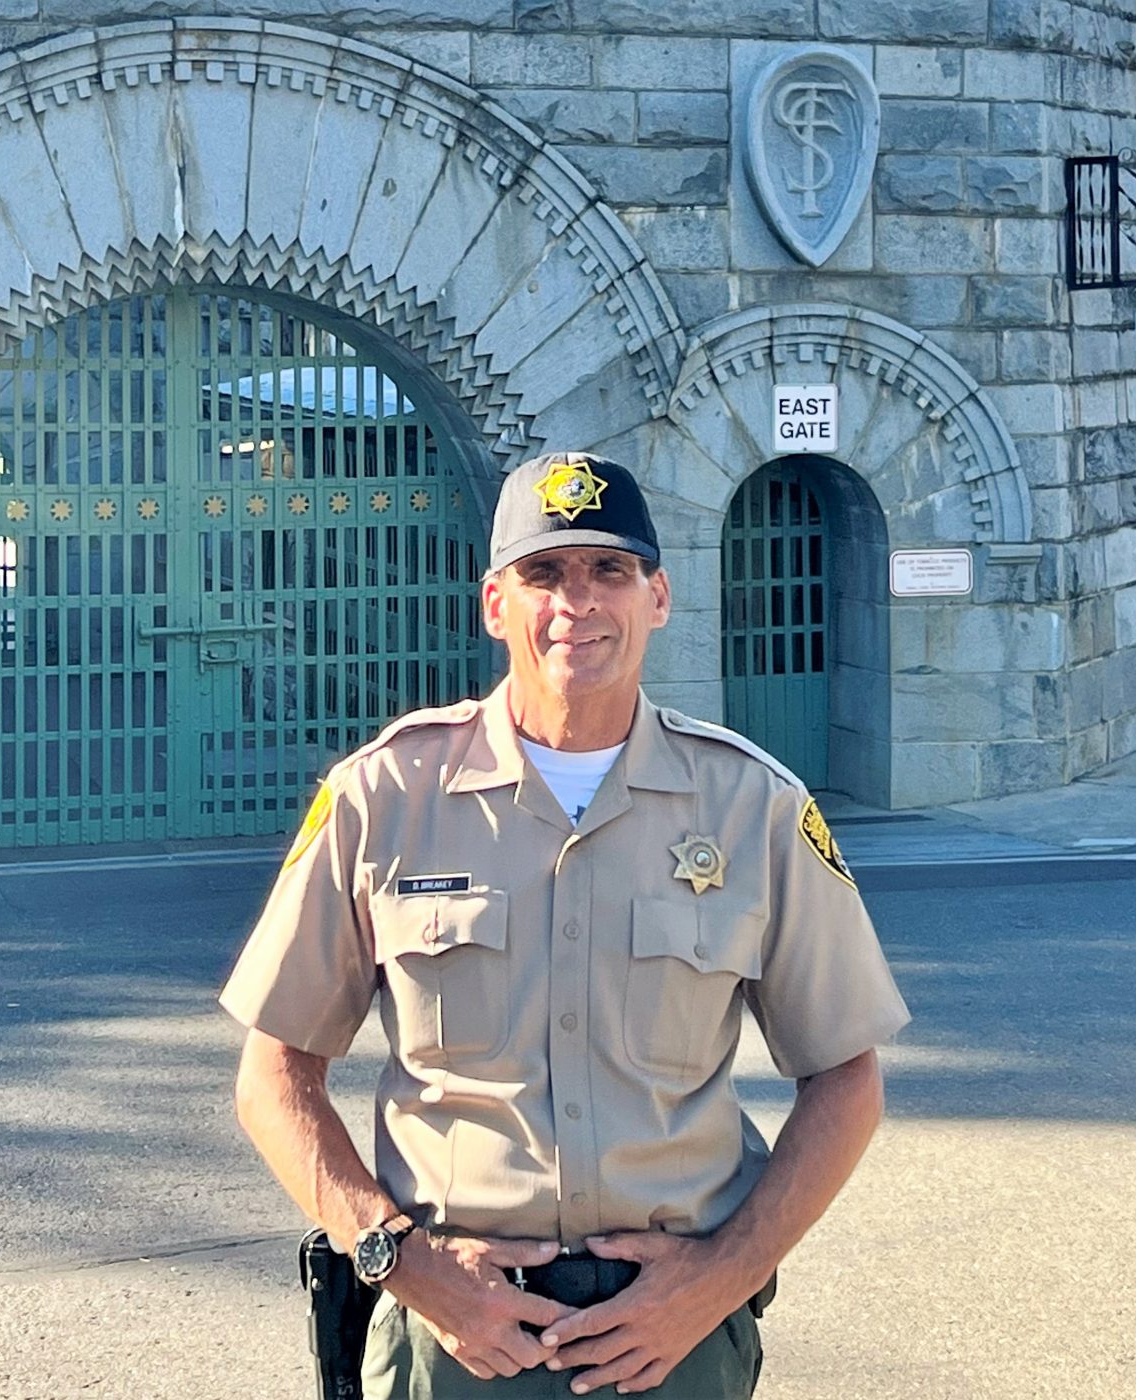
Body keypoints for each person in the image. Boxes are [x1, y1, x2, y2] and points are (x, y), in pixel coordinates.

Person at [222, 451, 910, 1398]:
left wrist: (725, 1276)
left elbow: (846, 1078)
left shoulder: (753, 806)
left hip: (671, 1340)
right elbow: (272, 1076)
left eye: (608, 570)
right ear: (494, 604)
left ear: (658, 597)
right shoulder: (384, 797)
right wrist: (398, 1260)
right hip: (454, 1339)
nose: (575, 602)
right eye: (543, 572)